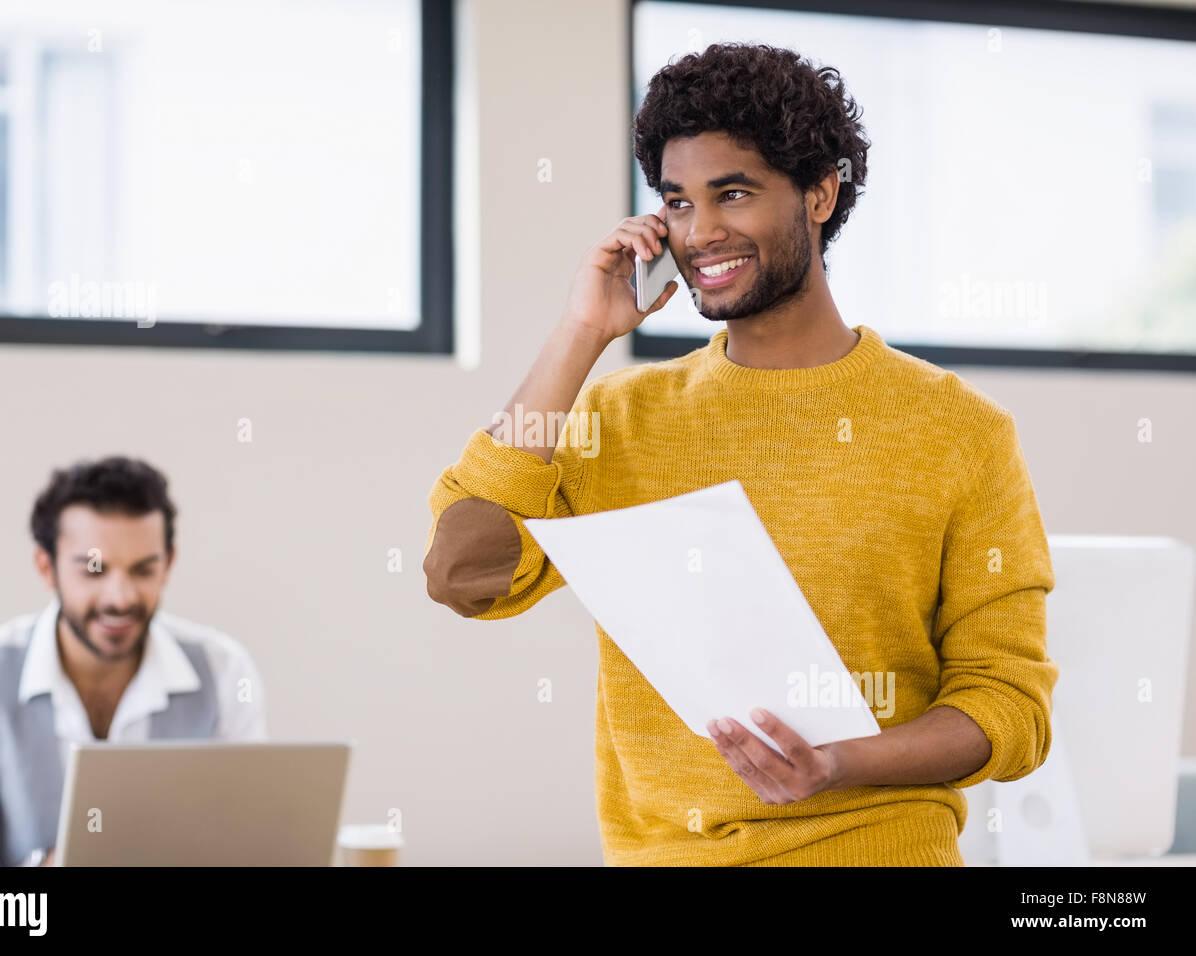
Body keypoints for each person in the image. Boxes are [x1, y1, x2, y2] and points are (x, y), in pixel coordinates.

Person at [423, 42, 1056, 866]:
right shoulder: (620, 415)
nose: (702, 232)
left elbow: (1010, 706)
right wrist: (580, 336)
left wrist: (834, 765)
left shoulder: (958, 428)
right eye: (677, 202)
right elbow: (463, 576)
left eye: (734, 193)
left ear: (820, 193)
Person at [0, 456, 266, 866]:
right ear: (47, 568)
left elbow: (246, 851)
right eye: (94, 572)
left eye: (143, 570)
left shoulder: (223, 672)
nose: (120, 597)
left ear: (168, 565)